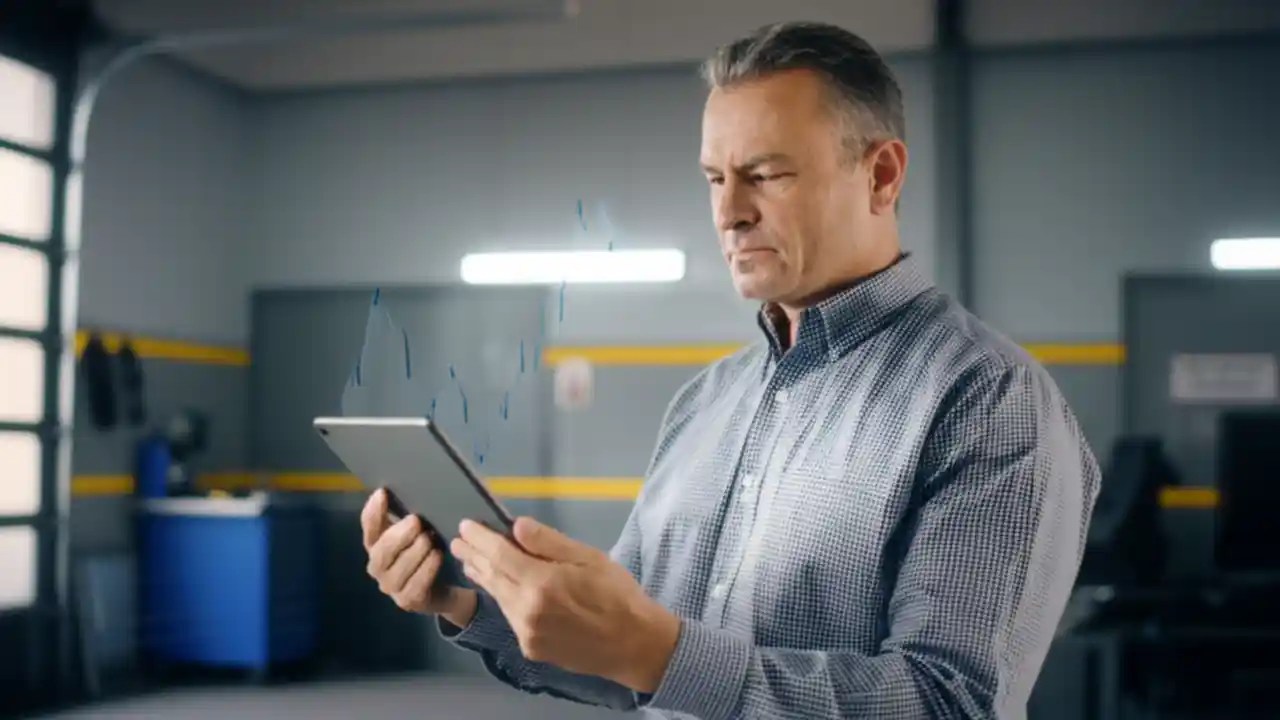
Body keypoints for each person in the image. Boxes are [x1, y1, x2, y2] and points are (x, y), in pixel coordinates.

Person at [361, 20, 1100, 719]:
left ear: (881, 175)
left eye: (766, 174)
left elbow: (951, 703)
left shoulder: (987, 398)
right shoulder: (706, 401)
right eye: (715, 178)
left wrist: (660, 654)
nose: (729, 212)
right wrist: (466, 600)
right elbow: (625, 658)